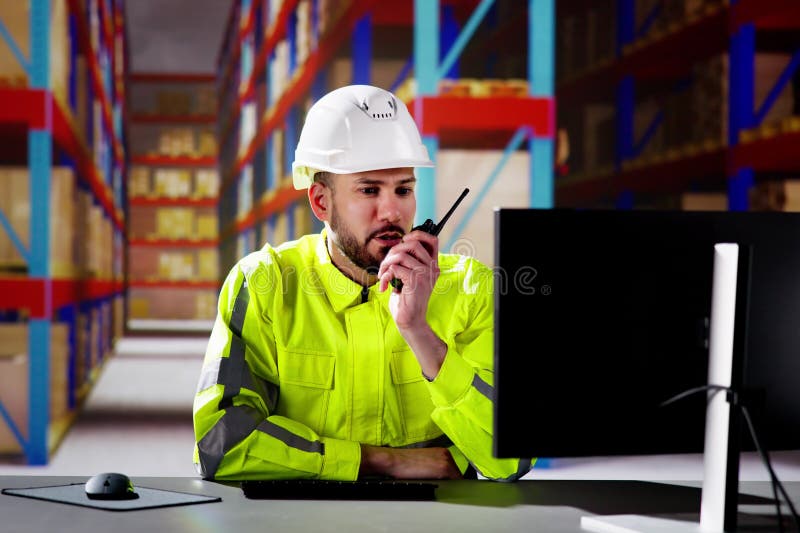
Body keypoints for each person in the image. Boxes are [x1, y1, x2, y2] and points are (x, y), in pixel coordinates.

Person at [192, 84, 531, 481]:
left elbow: (511, 460)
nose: (392, 210)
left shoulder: (471, 289)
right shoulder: (264, 284)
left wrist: (419, 332)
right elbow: (221, 445)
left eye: (403, 189)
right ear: (321, 202)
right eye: (369, 189)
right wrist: (377, 461)